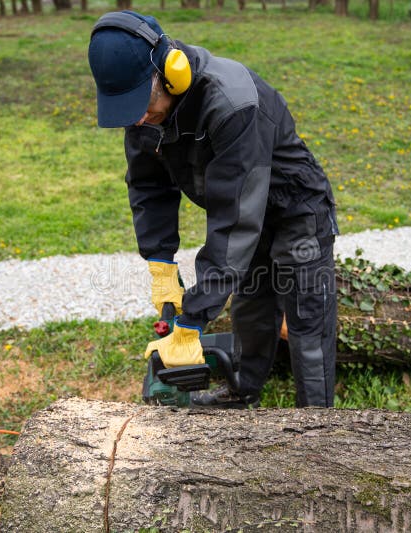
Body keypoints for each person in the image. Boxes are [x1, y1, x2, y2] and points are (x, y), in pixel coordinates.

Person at [88, 11, 339, 407]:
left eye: (144, 105)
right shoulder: (142, 111)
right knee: (252, 313)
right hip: (244, 212)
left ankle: (319, 426)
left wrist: (193, 319)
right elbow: (149, 185)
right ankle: (244, 393)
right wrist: (159, 261)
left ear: (172, 72)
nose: (138, 118)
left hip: (296, 210)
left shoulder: (232, 102)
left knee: (307, 325)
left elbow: (236, 221)